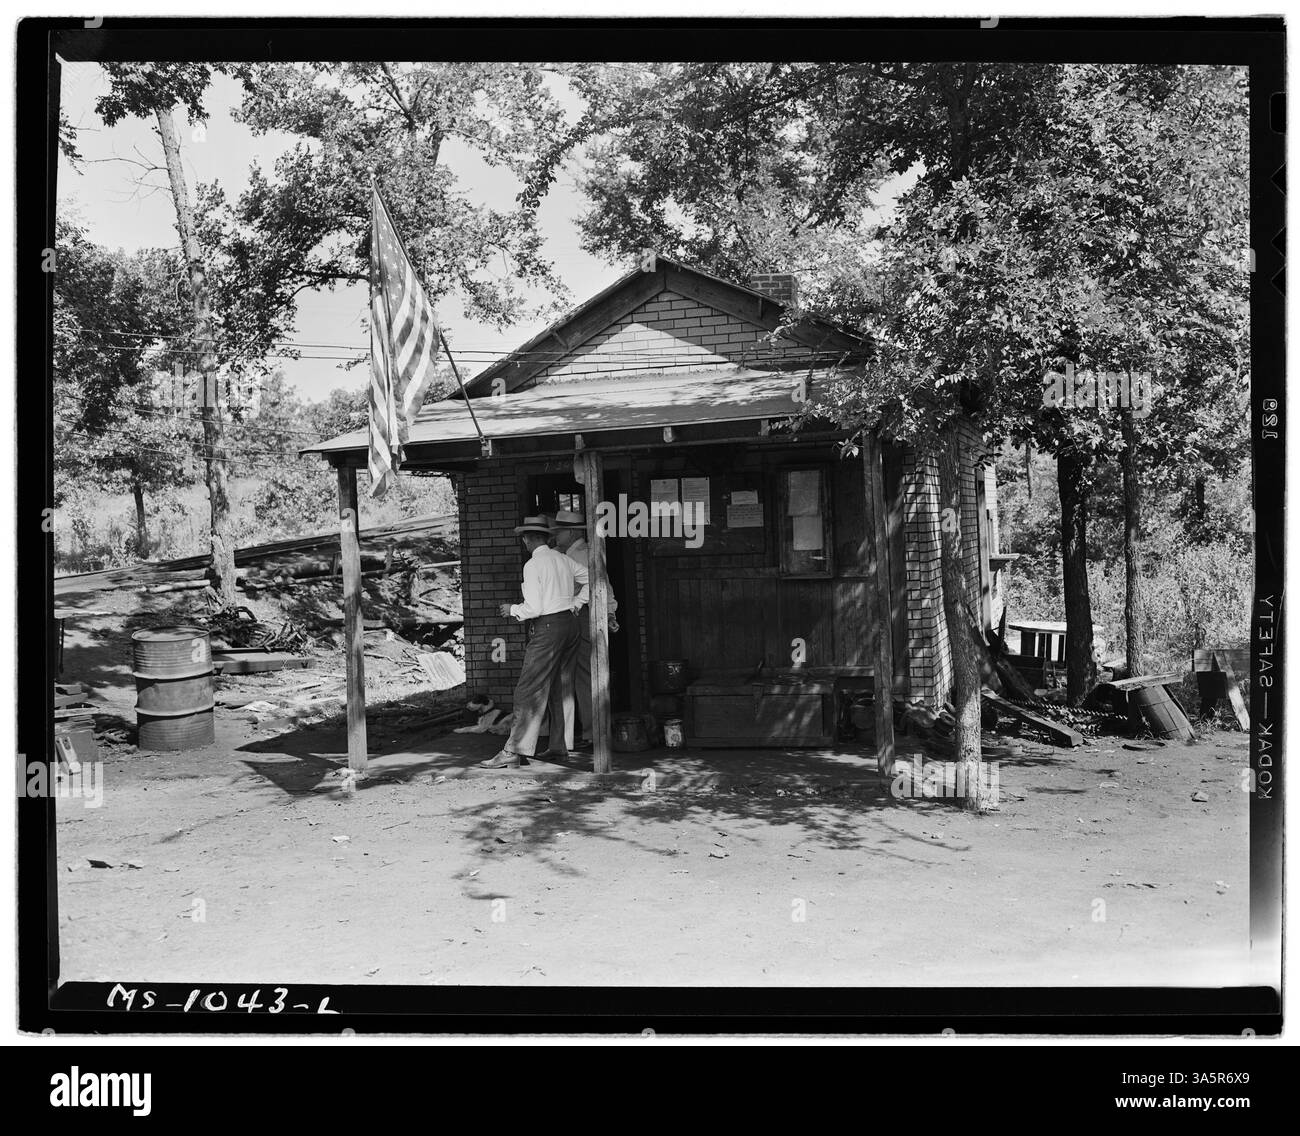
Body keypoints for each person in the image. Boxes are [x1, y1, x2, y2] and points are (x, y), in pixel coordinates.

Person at [482, 515, 588, 768]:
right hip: (570, 625)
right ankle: (558, 747)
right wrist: (577, 603)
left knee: (527, 688)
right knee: (561, 688)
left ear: (527, 539)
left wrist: (512, 609)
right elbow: (591, 578)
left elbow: (534, 607)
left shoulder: (532, 565)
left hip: (548, 627)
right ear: (547, 537)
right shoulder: (564, 559)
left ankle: (514, 749)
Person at [546, 509, 618, 754]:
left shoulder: (583, 554)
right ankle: (575, 735)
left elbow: (601, 586)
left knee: (585, 674)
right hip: (567, 615)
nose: (556, 536)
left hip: (581, 614)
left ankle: (591, 732)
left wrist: (608, 612)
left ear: (572, 532)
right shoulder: (562, 554)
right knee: (570, 675)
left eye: (559, 531)